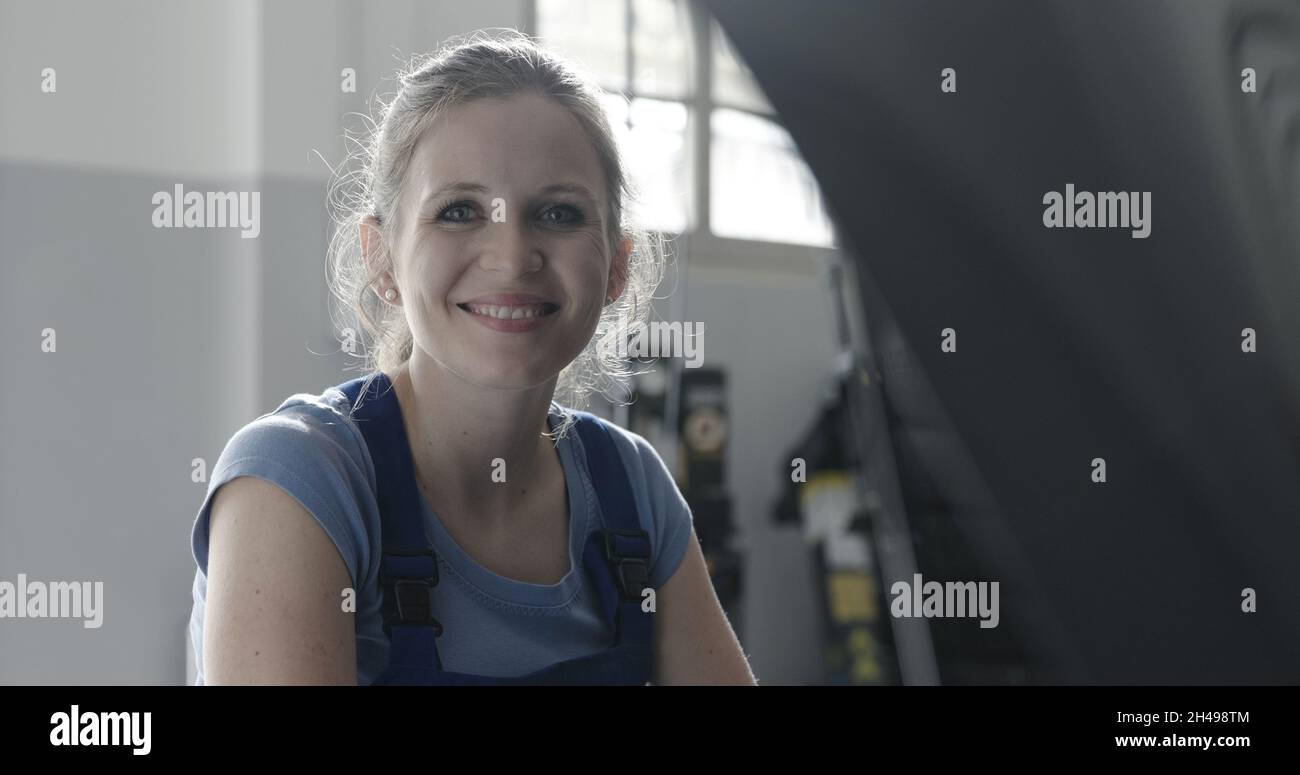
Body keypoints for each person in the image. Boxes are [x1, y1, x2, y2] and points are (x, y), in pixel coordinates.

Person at [188, 31, 756, 685]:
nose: (512, 256)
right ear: (382, 257)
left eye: (559, 212)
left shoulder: (631, 489)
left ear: (617, 267)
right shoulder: (300, 481)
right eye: (459, 210)